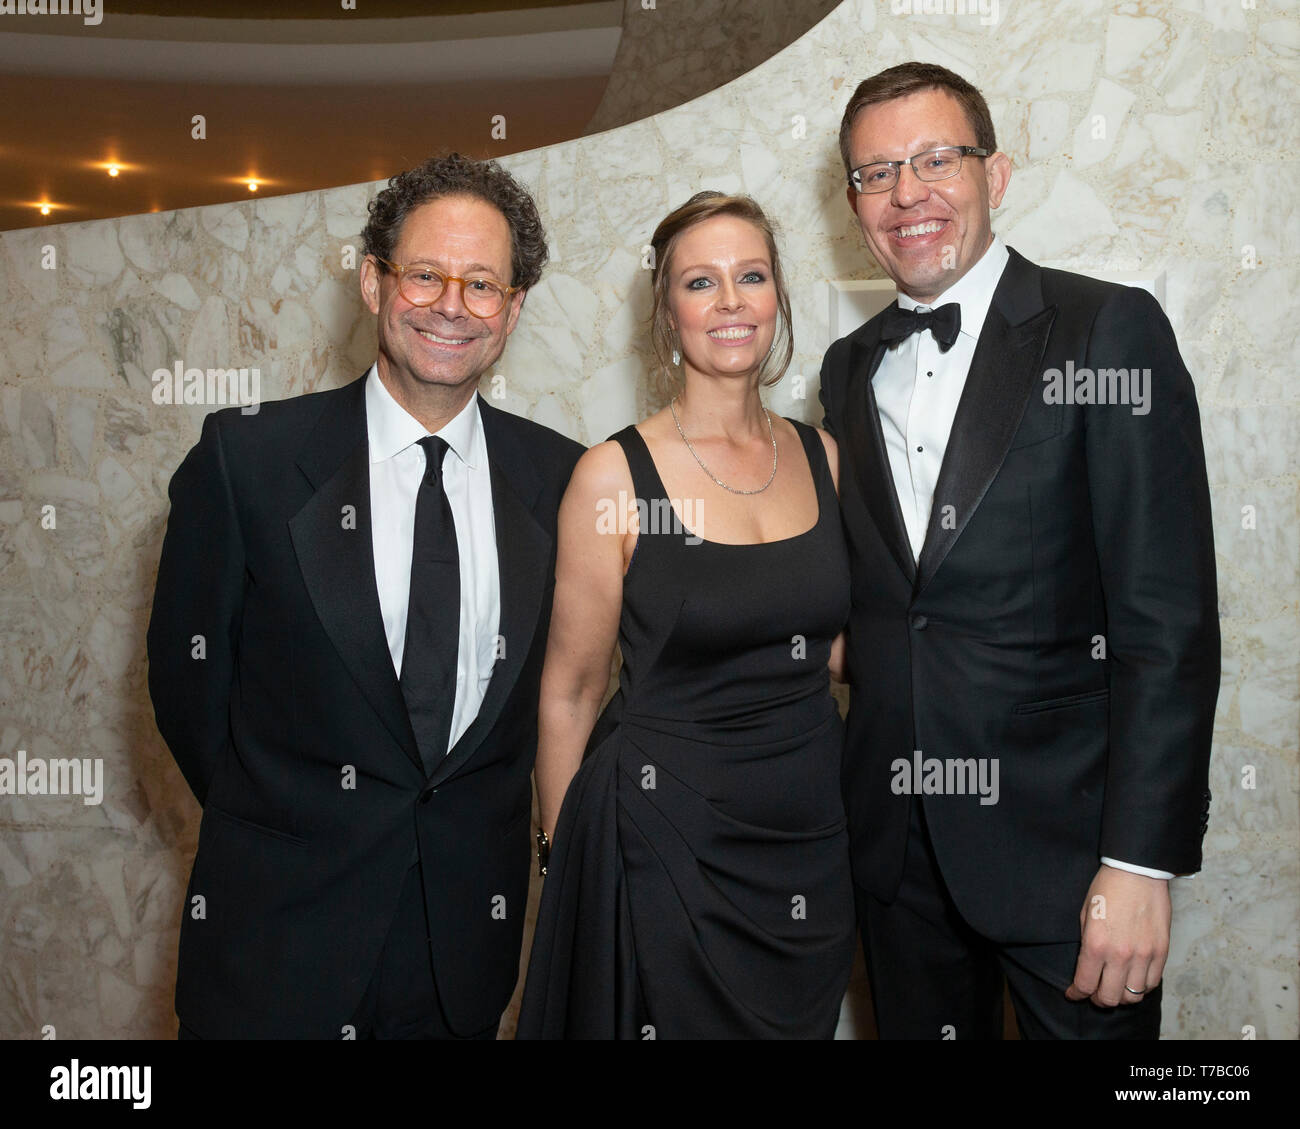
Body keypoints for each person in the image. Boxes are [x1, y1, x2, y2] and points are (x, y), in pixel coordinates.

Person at [820, 62, 1219, 1039]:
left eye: (933, 160)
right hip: (896, 857)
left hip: (1072, 858)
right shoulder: (844, 367)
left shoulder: (1104, 330)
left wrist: (1139, 863)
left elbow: (1165, 621)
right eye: (876, 173)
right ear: (853, 203)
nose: (906, 193)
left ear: (995, 175)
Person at [147, 153, 583, 1039]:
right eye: (424, 273)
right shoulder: (248, 462)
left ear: (516, 307)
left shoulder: (563, 479)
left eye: (482, 284)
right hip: (272, 958)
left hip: (460, 969)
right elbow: (190, 697)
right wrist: (289, 824)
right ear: (374, 280)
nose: (451, 304)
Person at [517, 191, 855, 1039]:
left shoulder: (827, 456)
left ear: (779, 296)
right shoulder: (613, 476)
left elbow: (843, 649)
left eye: (752, 276)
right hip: (664, 842)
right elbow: (571, 689)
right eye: (701, 283)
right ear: (668, 315)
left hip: (810, 843)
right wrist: (565, 863)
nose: (732, 301)